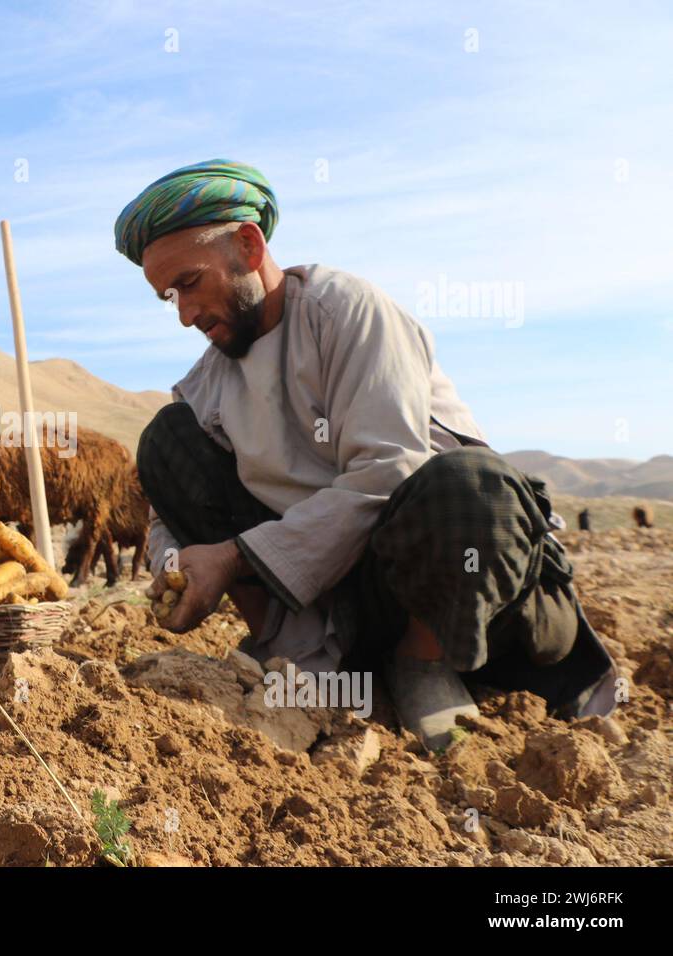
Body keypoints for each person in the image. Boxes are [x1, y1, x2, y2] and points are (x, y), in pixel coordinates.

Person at [118, 159, 616, 749]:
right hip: (335, 603)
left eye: (191, 283)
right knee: (166, 442)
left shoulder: (346, 312)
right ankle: (292, 652)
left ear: (248, 247)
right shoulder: (208, 381)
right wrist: (174, 564)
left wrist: (231, 556)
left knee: (472, 485)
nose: (184, 314)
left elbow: (388, 472)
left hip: (451, 589)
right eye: (168, 297)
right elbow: (164, 515)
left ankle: (424, 666)